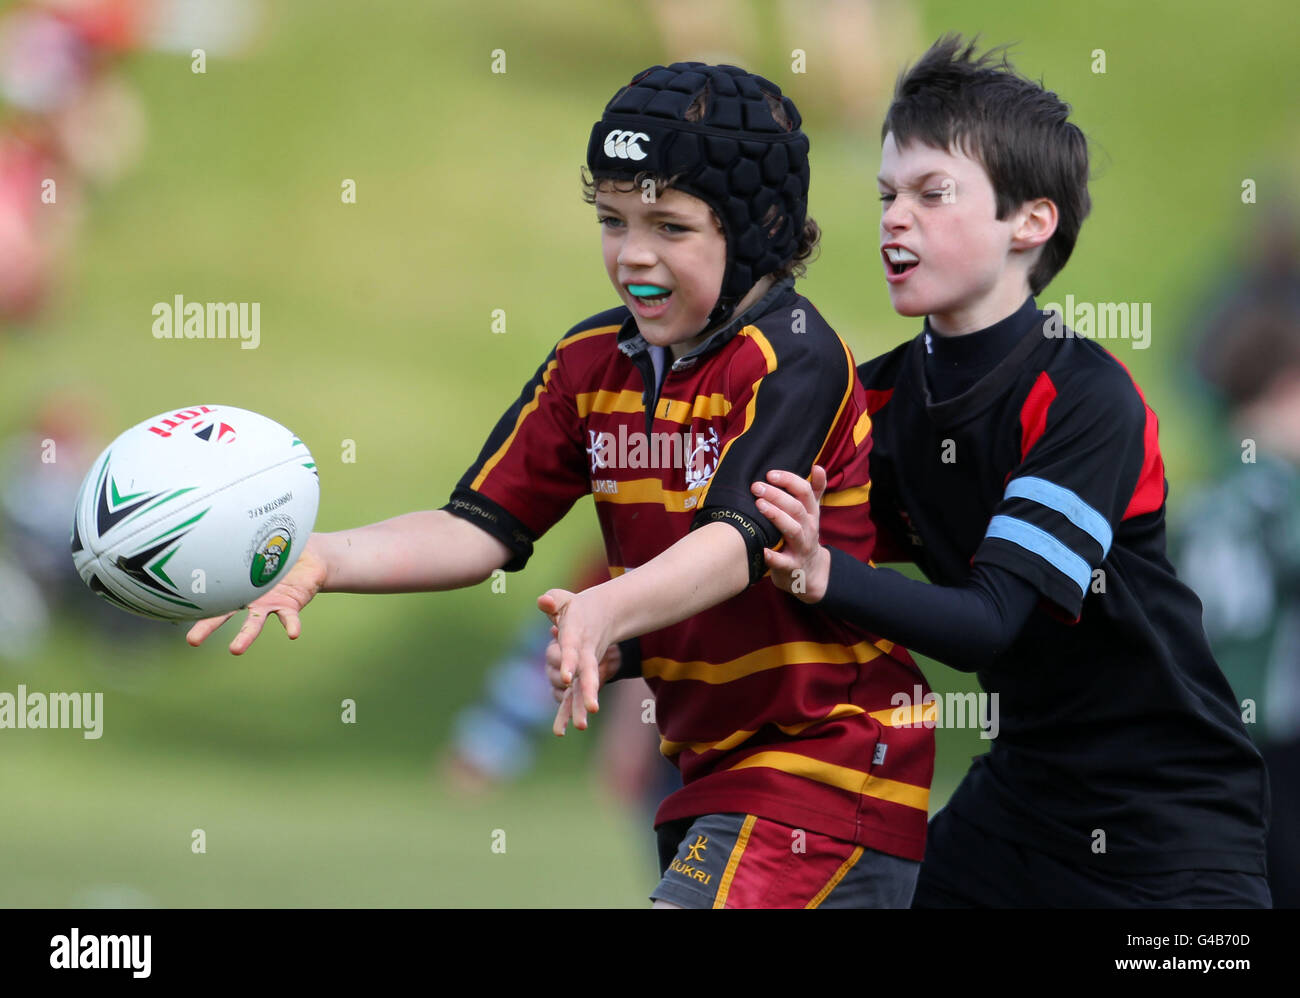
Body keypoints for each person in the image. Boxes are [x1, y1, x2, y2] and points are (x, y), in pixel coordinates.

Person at [188, 62, 935, 909]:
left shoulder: (792, 355)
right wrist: (323, 555)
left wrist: (605, 610)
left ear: (758, 227)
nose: (634, 255)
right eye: (612, 220)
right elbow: (477, 528)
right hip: (711, 765)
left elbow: (735, 546)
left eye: (671, 226)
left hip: (829, 758)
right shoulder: (590, 365)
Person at [736, 35, 1270, 907]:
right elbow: (749, 544)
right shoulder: (872, 400)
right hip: (1020, 804)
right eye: (887, 194)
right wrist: (620, 637)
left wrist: (822, 573)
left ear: (1031, 221)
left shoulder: (1087, 398)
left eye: (931, 192)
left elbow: (988, 624)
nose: (893, 218)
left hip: (1169, 834)